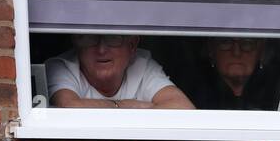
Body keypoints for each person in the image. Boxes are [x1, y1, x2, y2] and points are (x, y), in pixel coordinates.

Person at [47, 34, 194, 109]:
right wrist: (122, 105)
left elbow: (183, 108)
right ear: (77, 43)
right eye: (91, 39)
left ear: (132, 45)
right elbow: (69, 108)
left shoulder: (142, 65)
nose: (101, 50)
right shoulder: (62, 66)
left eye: (113, 39)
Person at [187, 37, 280, 110]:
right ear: (211, 49)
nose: (236, 52)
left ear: (262, 52)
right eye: (225, 42)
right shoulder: (190, 96)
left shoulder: (278, 95)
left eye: (247, 43)